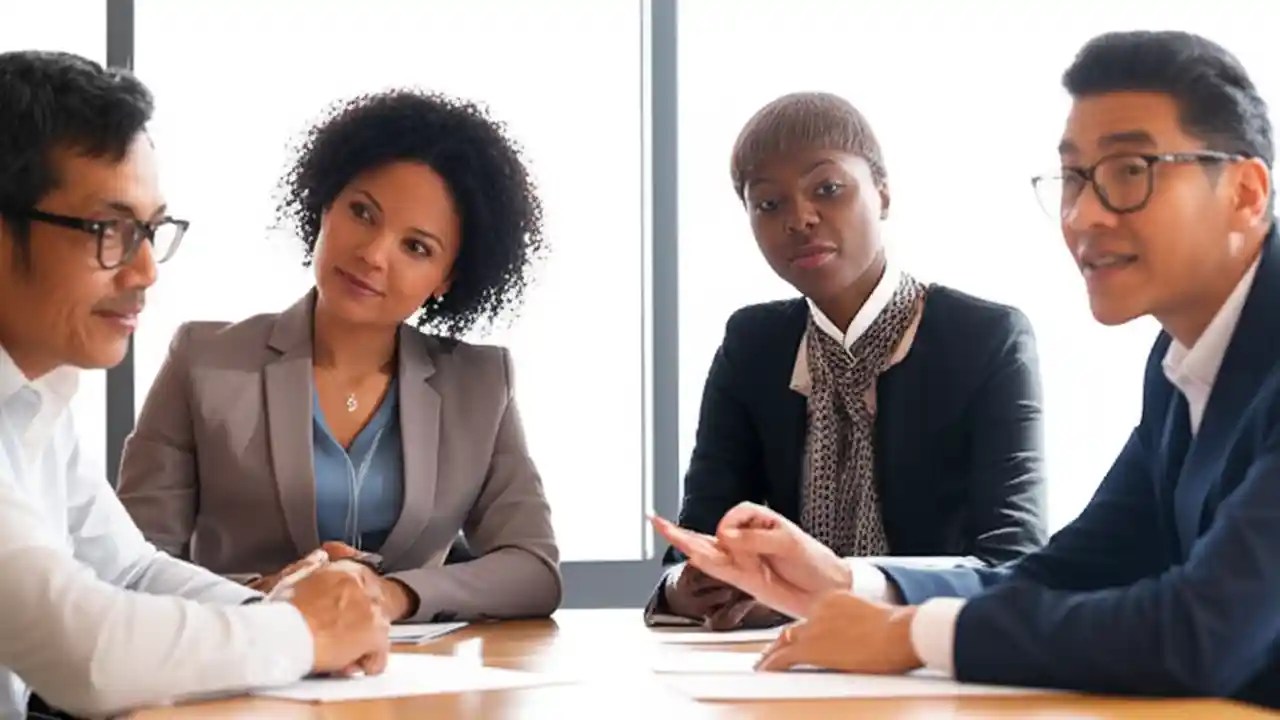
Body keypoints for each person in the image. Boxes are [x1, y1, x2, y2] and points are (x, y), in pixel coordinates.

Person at [655, 30, 1280, 708]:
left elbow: (1201, 634)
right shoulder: (1176, 366)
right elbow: (1073, 570)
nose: (1082, 215)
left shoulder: (995, 337)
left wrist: (916, 635)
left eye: (1130, 172)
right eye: (1073, 177)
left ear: (1245, 193)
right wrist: (851, 586)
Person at [0, 50, 390, 720]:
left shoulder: (38, 397)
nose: (147, 269)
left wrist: (279, 610)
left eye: (150, 230)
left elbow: (127, 571)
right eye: (110, 230)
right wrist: (304, 632)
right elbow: (89, 654)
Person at [117, 88, 561, 624]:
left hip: (409, 689)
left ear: (447, 278)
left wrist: (395, 595)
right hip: (240, 669)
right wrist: (264, 595)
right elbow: (129, 566)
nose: (373, 255)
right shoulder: (205, 361)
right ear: (327, 204)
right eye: (362, 212)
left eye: (416, 247)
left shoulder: (481, 383)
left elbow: (534, 570)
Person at [646, 92, 1048, 630]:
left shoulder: (984, 338)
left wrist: (829, 589)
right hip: (777, 670)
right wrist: (693, 583)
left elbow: (1013, 560)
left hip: (932, 661)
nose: (800, 218)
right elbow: (698, 540)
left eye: (827, 189)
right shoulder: (753, 345)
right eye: (769, 204)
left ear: (882, 193)